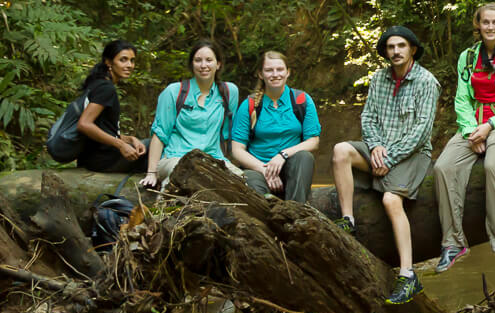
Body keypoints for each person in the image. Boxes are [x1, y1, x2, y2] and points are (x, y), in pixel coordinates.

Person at [331, 25, 441, 305]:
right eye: (391, 47)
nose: (395, 51)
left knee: (392, 199)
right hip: (380, 148)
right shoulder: (380, 79)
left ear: (412, 49)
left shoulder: (427, 82)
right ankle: (348, 221)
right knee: (340, 150)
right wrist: (377, 147)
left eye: (401, 46)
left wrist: (389, 158)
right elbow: (368, 118)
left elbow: (421, 132)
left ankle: (407, 275)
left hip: (413, 153)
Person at [433, 3, 495, 273]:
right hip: (473, 125)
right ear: (478, 25)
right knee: (443, 167)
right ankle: (452, 243)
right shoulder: (467, 57)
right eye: (485, 22)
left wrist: (489, 126)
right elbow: (462, 100)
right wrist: (469, 131)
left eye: (494, 22)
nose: (490, 27)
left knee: (494, 167)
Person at [141, 40, 241, 188]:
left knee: (241, 181)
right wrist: (151, 172)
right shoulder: (174, 92)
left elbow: (225, 133)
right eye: (198, 60)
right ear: (191, 64)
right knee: (186, 175)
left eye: (209, 60)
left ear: (218, 64)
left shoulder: (229, 92)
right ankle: (165, 209)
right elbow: (160, 133)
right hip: (175, 158)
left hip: (213, 159)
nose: (203, 65)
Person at [229, 50, 321, 204]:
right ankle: (266, 217)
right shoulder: (250, 105)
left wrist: (283, 155)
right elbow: (237, 150)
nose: (275, 74)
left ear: (288, 72)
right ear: (260, 74)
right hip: (258, 170)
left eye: (279, 69)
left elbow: (313, 141)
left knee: (305, 157)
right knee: (250, 179)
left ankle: (296, 213)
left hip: (290, 168)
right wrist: (265, 171)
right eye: (269, 70)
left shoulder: (301, 100)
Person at [72, 40, 147, 173]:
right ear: (108, 62)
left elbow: (105, 130)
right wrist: (121, 145)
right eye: (123, 60)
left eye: (132, 60)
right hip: (102, 161)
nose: (129, 65)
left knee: (144, 144)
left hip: (93, 159)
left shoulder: (98, 83)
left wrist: (130, 139)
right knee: (157, 144)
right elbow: (84, 124)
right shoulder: (105, 88)